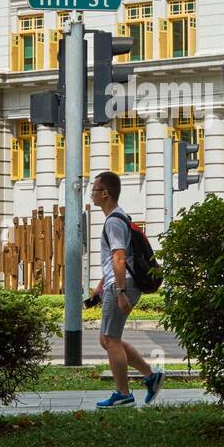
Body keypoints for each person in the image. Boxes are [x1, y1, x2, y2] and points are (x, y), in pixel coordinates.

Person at [89, 170, 163, 408]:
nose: (92, 193)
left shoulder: (113, 221)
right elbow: (118, 260)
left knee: (110, 339)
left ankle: (123, 394)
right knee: (108, 339)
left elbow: (120, 258)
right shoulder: (119, 217)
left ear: (105, 193)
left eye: (94, 189)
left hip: (123, 286)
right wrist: (102, 285)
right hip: (117, 284)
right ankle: (151, 377)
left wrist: (120, 292)